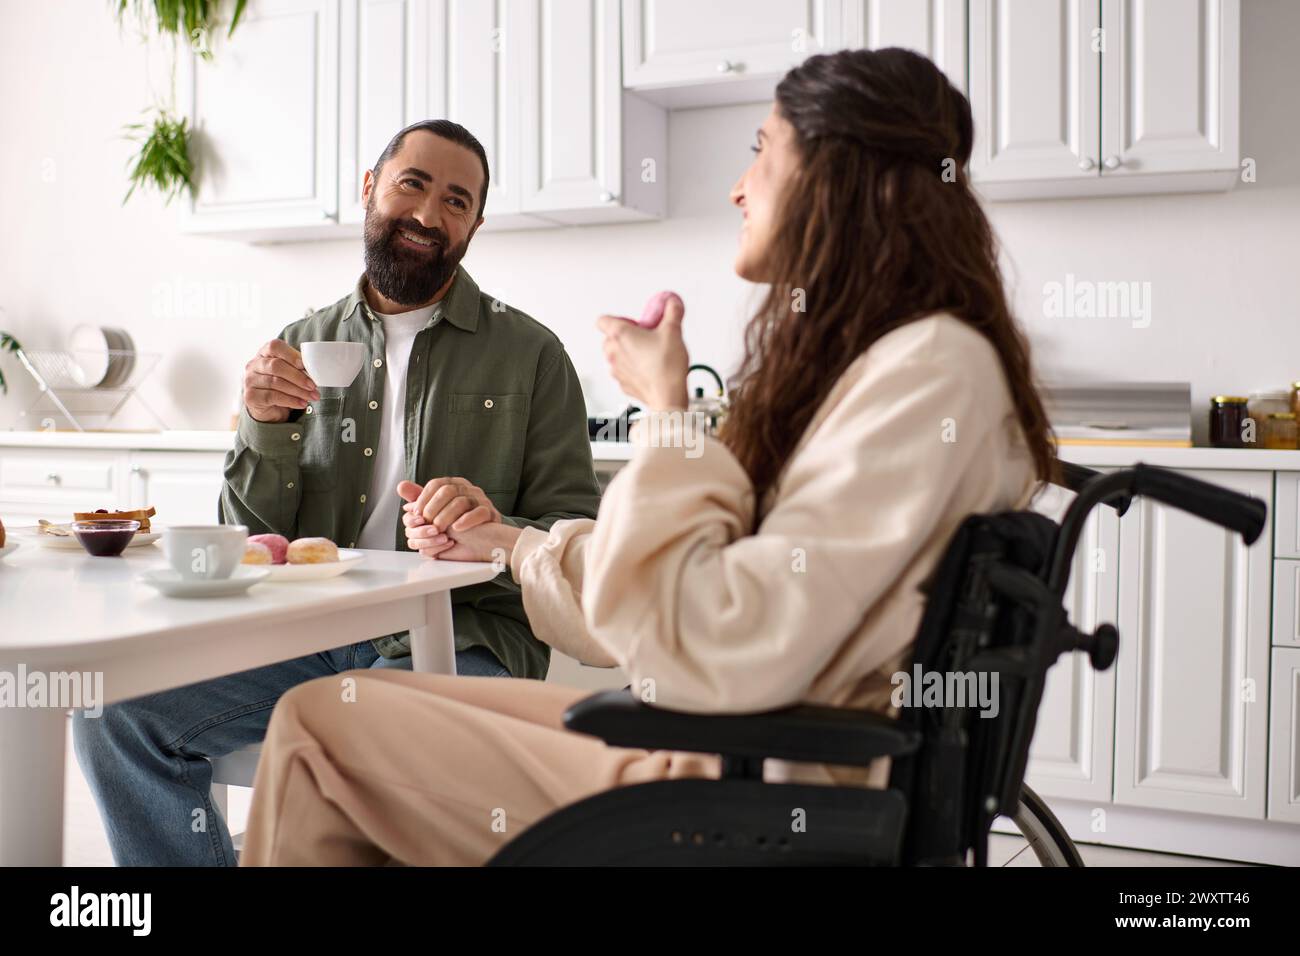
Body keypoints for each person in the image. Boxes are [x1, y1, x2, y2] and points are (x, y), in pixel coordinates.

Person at [238, 47, 1058, 866]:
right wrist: (511, 545)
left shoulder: (926, 372)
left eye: (763, 151)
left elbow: (711, 643)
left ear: (838, 174)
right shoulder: (907, 365)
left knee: (316, 729)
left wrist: (667, 418)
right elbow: (703, 595)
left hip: (740, 779)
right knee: (346, 705)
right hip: (733, 743)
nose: (739, 187)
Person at [72, 120, 602, 866]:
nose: (427, 213)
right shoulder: (303, 340)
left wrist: (494, 525)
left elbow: (576, 531)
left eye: (456, 200)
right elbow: (252, 541)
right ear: (369, 190)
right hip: (309, 635)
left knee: (357, 736)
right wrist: (263, 424)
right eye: (412, 184)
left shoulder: (532, 354)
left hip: (465, 634)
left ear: (475, 226)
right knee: (112, 710)